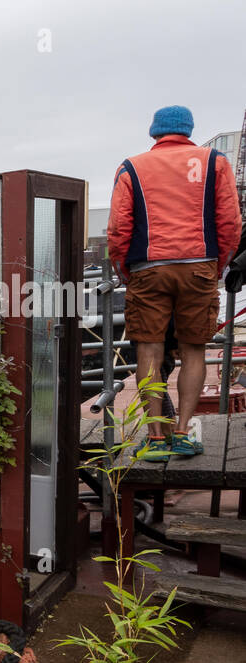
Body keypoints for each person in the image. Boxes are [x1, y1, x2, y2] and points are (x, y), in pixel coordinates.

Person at [107, 105, 242, 460]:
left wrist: (125, 270)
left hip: (147, 268)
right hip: (199, 265)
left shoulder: (131, 167)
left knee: (149, 349)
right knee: (194, 349)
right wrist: (219, 265)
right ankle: (182, 432)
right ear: (188, 129)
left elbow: (119, 228)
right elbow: (230, 222)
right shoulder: (215, 162)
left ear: (155, 131)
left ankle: (155, 438)